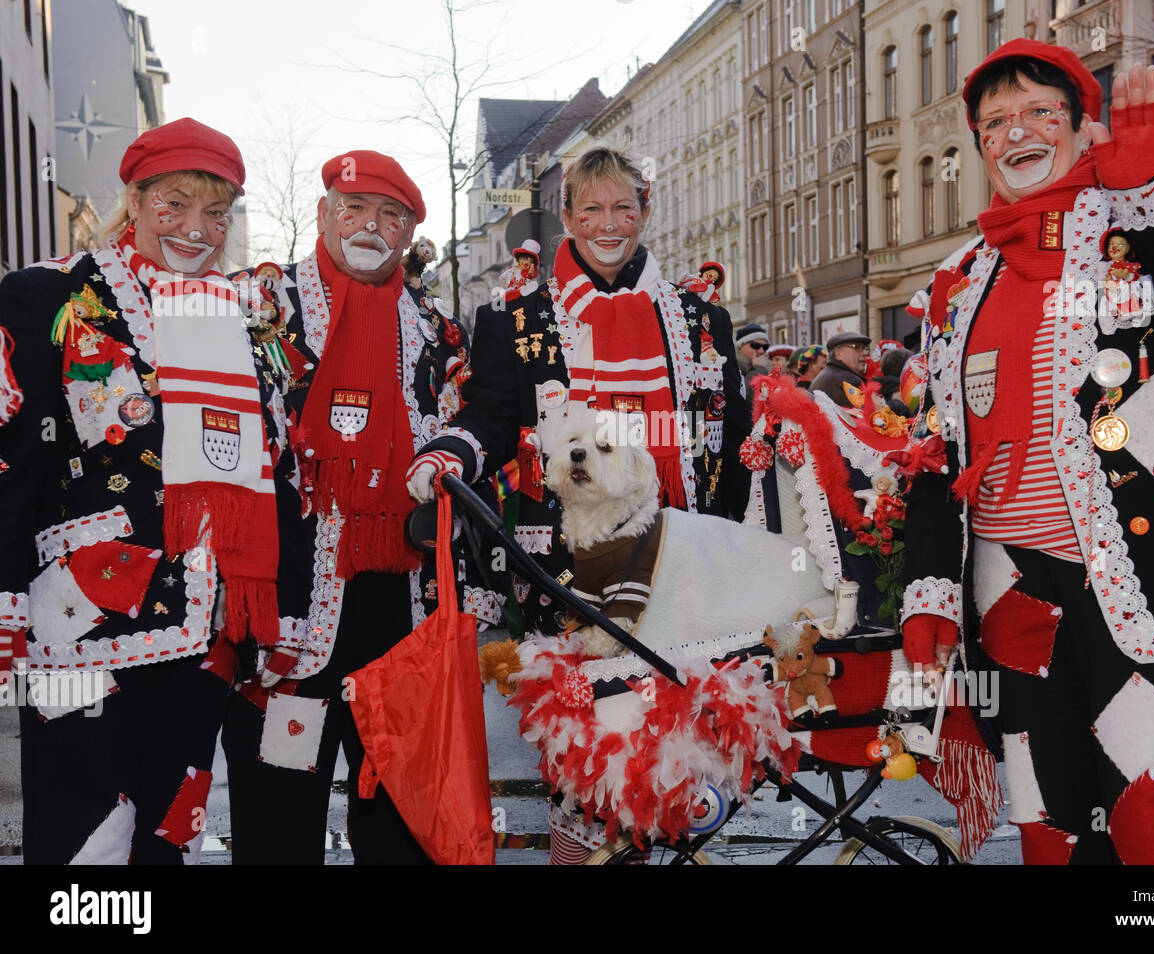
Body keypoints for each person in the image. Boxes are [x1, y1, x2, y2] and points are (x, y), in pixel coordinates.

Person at [899, 41, 1154, 865]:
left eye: (1041, 111)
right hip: (1013, 591)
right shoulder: (958, 279)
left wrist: (1150, 193)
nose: (1017, 133)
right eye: (995, 122)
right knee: (1052, 827)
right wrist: (927, 592)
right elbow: (932, 446)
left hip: (1144, 580)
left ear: (1082, 125)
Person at [406, 145, 750, 862]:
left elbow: (730, 443)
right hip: (562, 567)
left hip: (676, 563)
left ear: (646, 212)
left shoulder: (698, 320)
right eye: (590, 208)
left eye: (624, 206)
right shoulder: (516, 318)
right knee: (581, 747)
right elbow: (493, 414)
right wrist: (452, 451)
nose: (608, 223)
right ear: (566, 217)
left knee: (670, 743)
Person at [0, 118, 266, 863]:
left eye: (216, 211)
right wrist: (3, 599)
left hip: (195, 623)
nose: (195, 228)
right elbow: (8, 462)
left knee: (167, 831)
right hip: (71, 626)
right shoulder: (46, 293)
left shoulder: (231, 316)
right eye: (174, 203)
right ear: (136, 199)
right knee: (77, 833)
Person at [218, 150, 471, 865]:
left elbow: (470, 430)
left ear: (408, 234)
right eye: (354, 207)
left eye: (392, 216)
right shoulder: (259, 305)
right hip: (287, 623)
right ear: (325, 213)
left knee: (398, 823)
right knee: (278, 820)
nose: (370, 226)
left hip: (400, 616)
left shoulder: (438, 330)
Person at [811, 330, 872, 409]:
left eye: (865, 348)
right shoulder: (848, 381)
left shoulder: (829, 374)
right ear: (838, 354)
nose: (865, 353)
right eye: (857, 347)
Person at [734, 322, 771, 391]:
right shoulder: (731, 367)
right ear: (740, 346)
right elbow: (745, 396)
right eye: (756, 345)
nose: (761, 351)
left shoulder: (769, 369)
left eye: (765, 347)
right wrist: (759, 369)